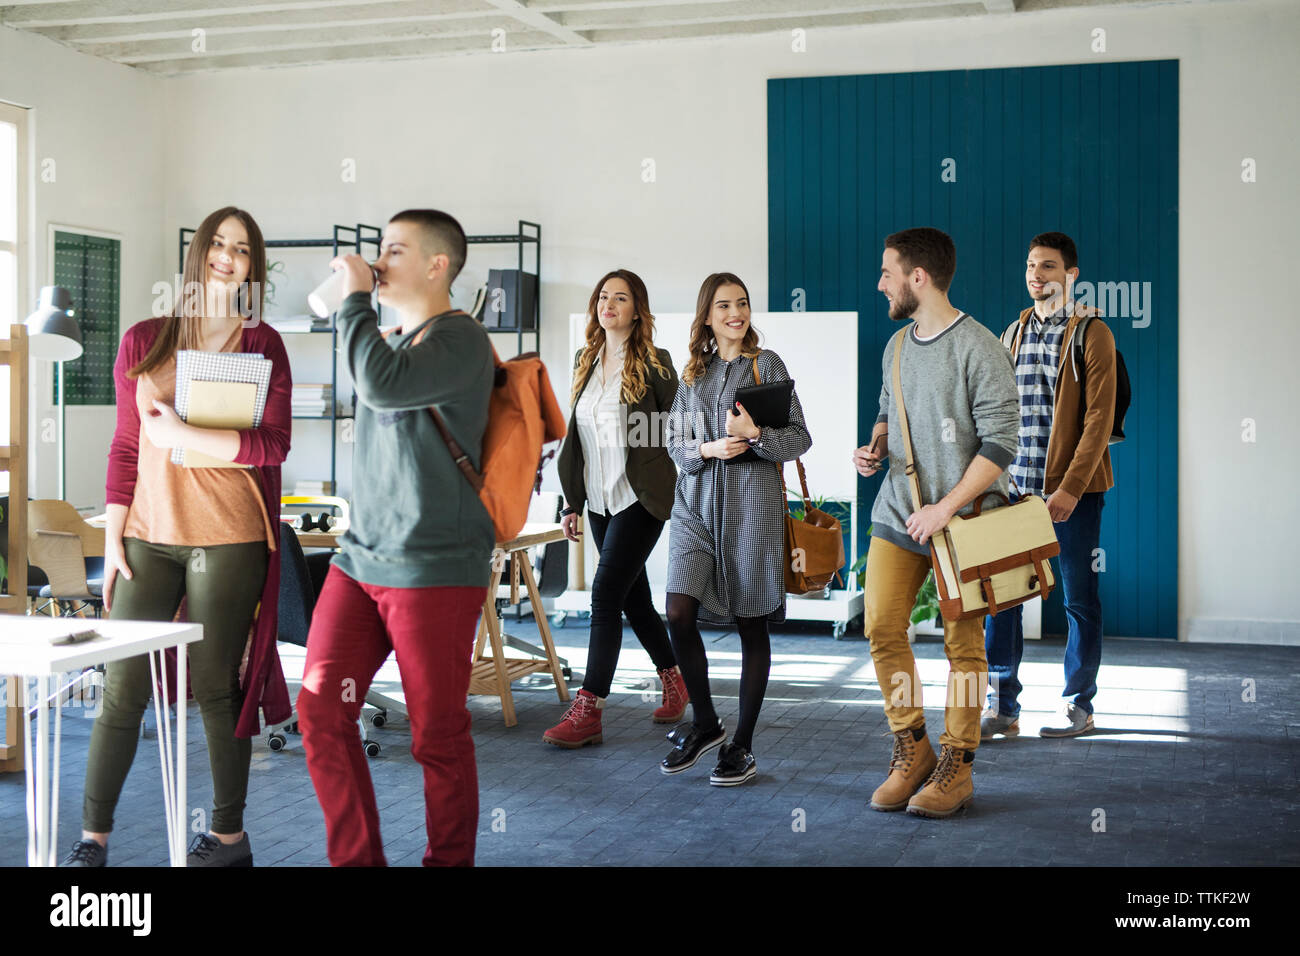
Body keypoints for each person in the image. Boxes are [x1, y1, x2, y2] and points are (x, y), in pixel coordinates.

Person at [64, 206, 292, 867]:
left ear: (254, 265)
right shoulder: (145, 340)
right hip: (148, 536)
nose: (227, 256)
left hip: (229, 536)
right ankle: (91, 840)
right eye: (218, 244)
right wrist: (112, 541)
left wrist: (185, 435)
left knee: (217, 684)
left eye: (242, 249)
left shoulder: (262, 343)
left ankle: (227, 839)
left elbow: (272, 445)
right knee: (121, 687)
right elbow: (127, 448)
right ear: (198, 255)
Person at [296, 209, 494, 867]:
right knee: (322, 713)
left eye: (394, 250)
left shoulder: (461, 341)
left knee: (436, 736)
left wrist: (353, 297)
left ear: (438, 265)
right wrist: (360, 314)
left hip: (435, 567)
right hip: (361, 562)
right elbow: (379, 377)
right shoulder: (394, 340)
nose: (379, 261)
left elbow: (380, 387)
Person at [852, 227, 1019, 818]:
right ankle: (913, 747)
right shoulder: (895, 347)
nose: (880, 283)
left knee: (964, 649)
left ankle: (958, 765)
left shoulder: (980, 347)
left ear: (917, 278)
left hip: (964, 521)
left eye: (886, 272)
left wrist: (945, 508)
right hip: (898, 513)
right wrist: (874, 447)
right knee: (881, 628)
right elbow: (885, 413)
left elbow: (1003, 442)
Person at [661, 272, 811, 786]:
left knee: (751, 622)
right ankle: (705, 722)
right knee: (678, 612)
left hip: (753, 510)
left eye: (742, 303)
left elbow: (799, 438)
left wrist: (755, 435)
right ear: (707, 315)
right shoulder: (692, 372)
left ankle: (741, 745)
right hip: (695, 506)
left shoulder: (765, 364)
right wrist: (707, 448)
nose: (735, 313)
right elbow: (675, 440)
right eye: (723, 305)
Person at [982, 232, 1117, 741]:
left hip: (1071, 493)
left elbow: (1098, 421)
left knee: (1079, 597)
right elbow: (994, 410)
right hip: (1014, 491)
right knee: (1004, 599)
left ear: (1071, 275)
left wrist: (1070, 489)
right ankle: (1003, 709)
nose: (1037, 274)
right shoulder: (1012, 333)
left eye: (1049, 266)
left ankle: (1078, 705)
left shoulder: (1091, 333)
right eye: (1031, 264)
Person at [545, 270, 687, 747]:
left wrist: (670, 469)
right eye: (603, 297)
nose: (609, 304)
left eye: (620, 298)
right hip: (598, 498)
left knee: (604, 596)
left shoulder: (654, 363)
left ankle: (589, 710)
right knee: (632, 598)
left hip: (639, 498)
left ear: (636, 310)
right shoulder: (586, 360)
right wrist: (572, 500)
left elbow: (683, 425)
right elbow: (578, 437)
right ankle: (674, 677)